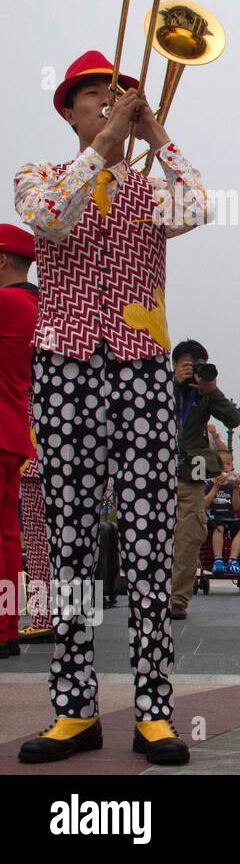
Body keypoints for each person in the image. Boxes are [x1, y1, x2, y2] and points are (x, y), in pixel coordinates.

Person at [14, 50, 213, 765]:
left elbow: (198, 204)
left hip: (139, 366)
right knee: (70, 541)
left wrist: (156, 134)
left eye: (116, 97)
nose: (110, 106)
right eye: (95, 98)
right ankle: (74, 709)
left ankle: (154, 708)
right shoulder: (39, 176)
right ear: (68, 109)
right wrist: (101, 148)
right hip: (65, 362)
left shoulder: (150, 191)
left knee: (148, 542)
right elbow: (48, 217)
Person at [169, 339, 240, 620]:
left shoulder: (205, 395)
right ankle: (154, 592)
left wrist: (212, 390)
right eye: (185, 364)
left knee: (189, 535)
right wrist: (174, 384)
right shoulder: (160, 386)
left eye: (196, 365)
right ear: (174, 364)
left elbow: (233, 419)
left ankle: (178, 600)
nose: (191, 370)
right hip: (154, 474)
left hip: (190, 475)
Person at [0, 225, 38, 658]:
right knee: (9, 538)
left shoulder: (6, 303)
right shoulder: (34, 304)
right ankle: (7, 625)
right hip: (14, 431)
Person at [205, 451, 240, 574]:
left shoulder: (232, 484)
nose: (225, 466)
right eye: (221, 463)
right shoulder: (208, 483)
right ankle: (218, 560)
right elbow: (204, 504)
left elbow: (236, 507)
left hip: (229, 518)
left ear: (232, 466)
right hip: (213, 518)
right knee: (219, 526)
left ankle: (233, 561)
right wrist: (216, 487)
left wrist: (235, 488)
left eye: (228, 464)